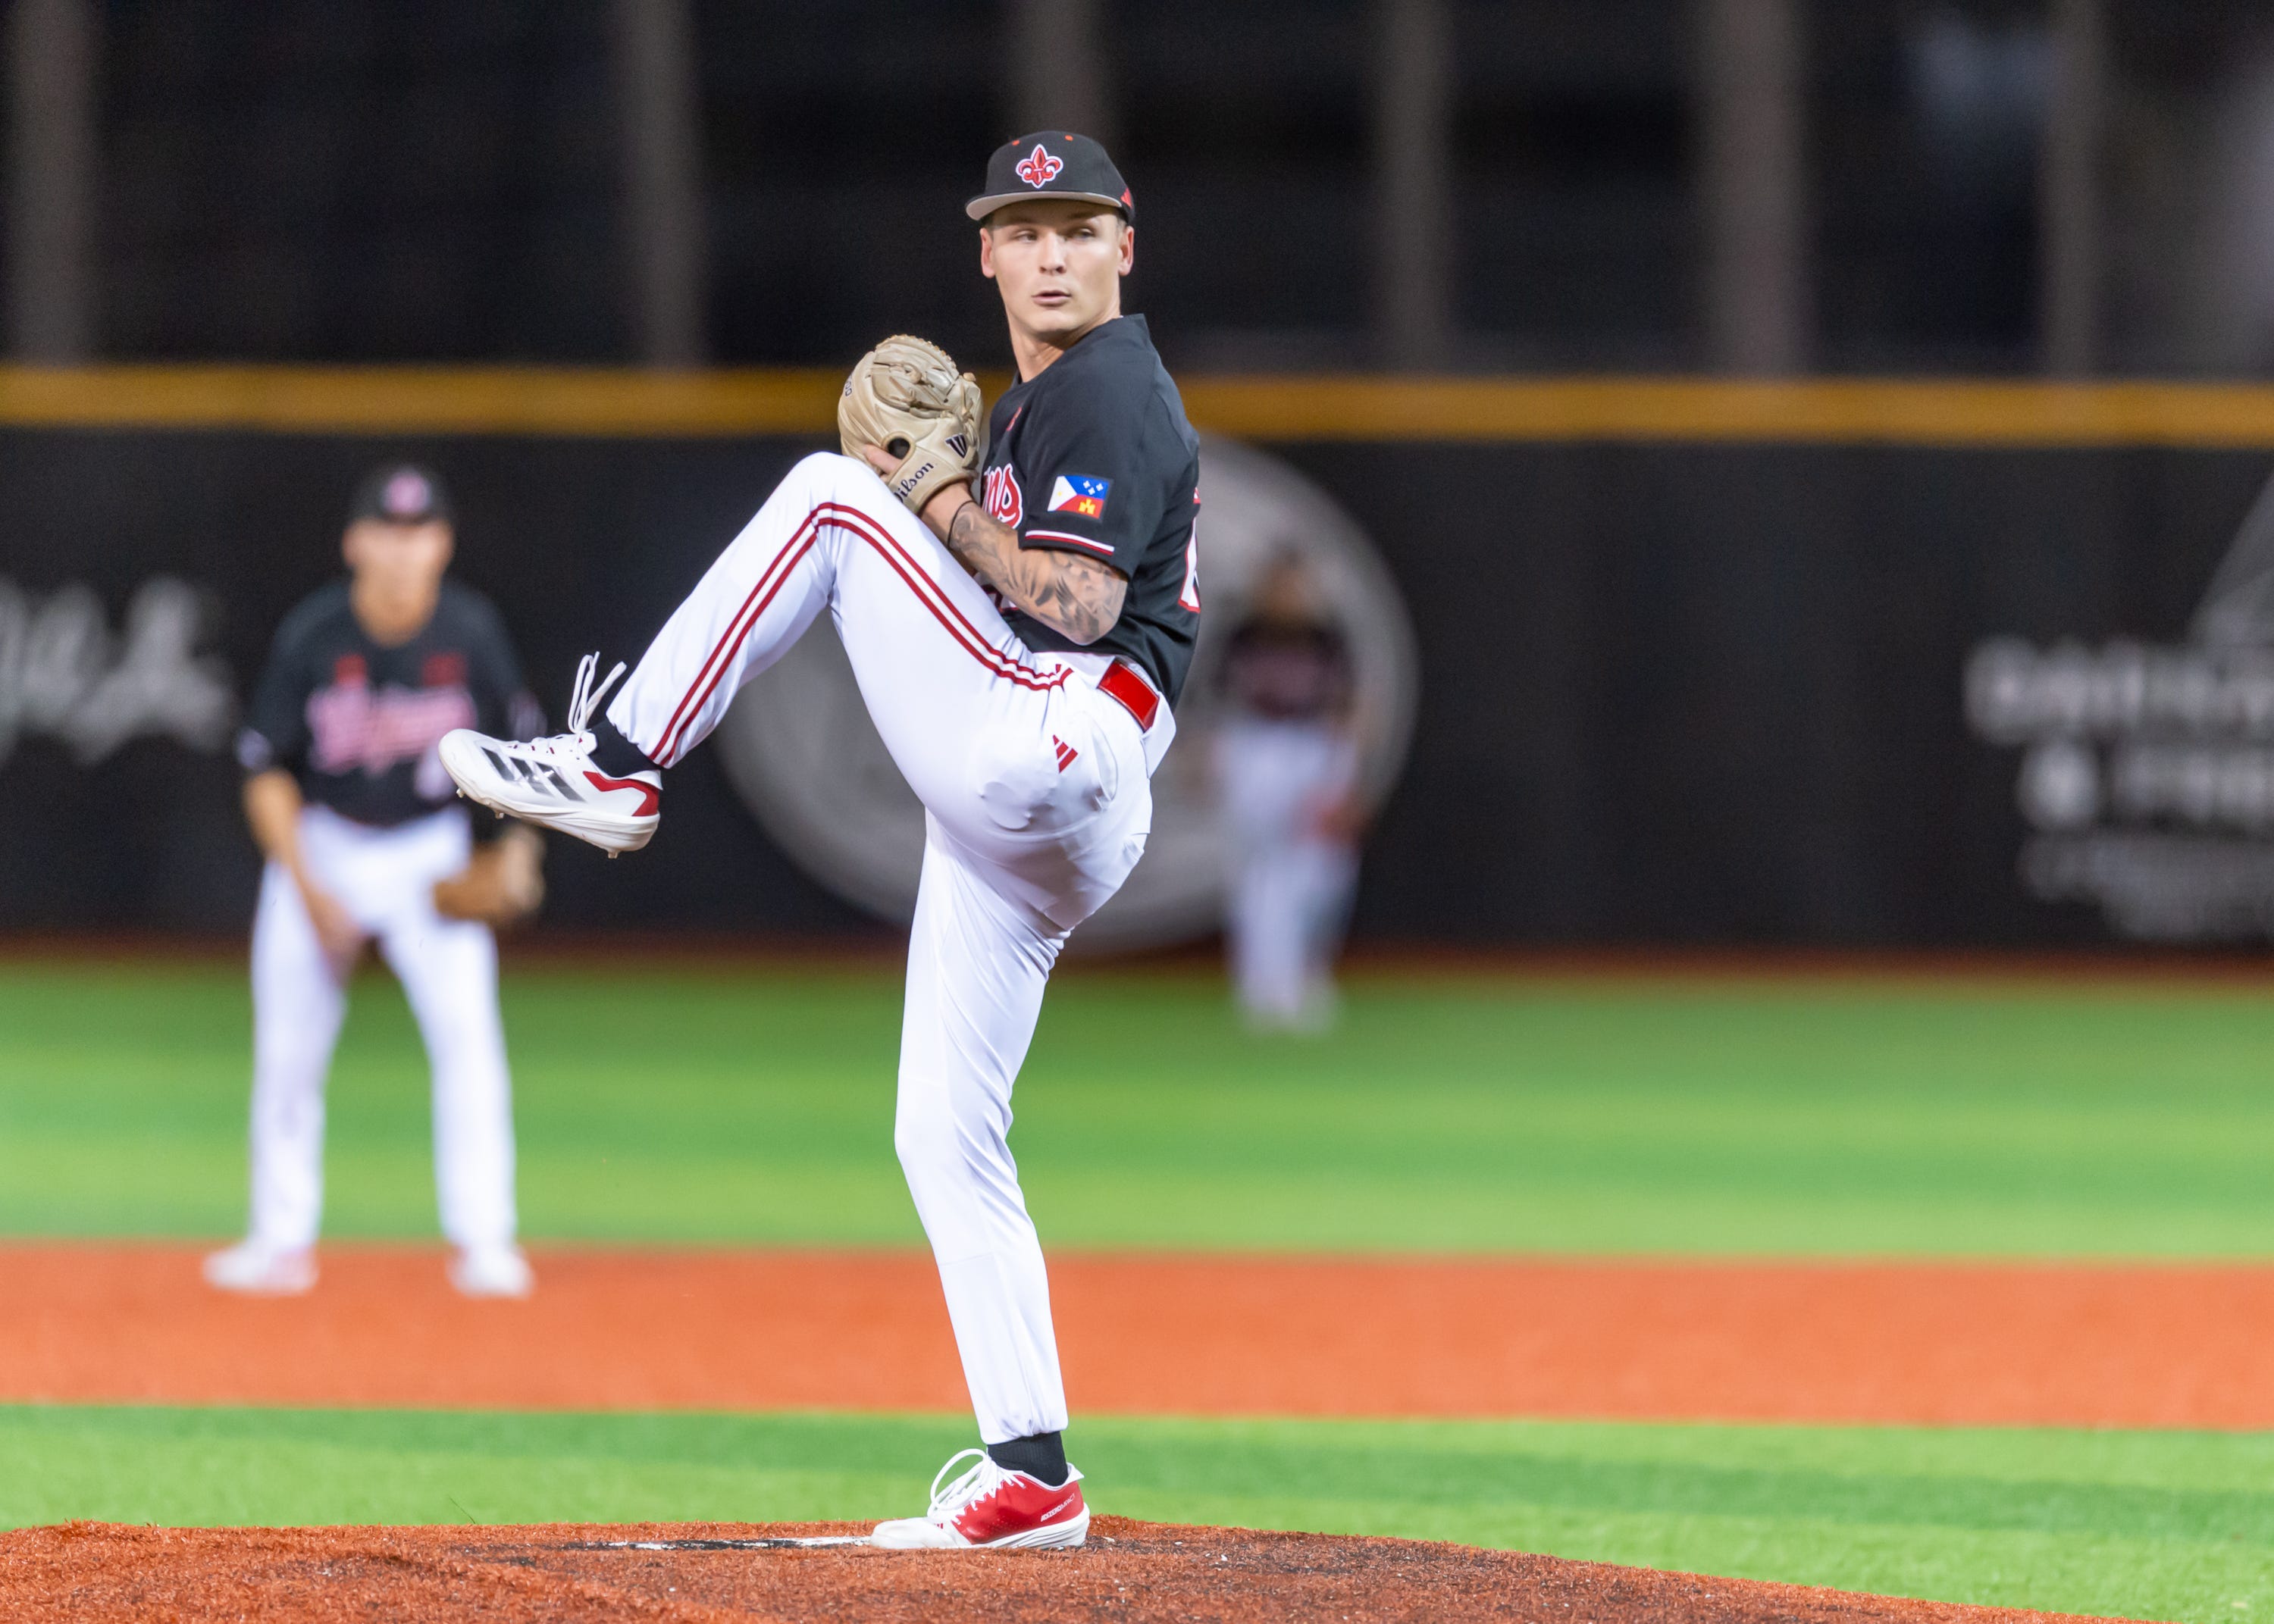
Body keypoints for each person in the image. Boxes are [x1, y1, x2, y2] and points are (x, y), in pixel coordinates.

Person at [437, 131, 1198, 1550]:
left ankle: (618, 764)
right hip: (1027, 810)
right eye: (1023, 229)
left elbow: (1084, 611)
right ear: (985, 253)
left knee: (833, 498)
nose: (1049, 252)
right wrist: (959, 490)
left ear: (1124, 249)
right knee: (941, 1132)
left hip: (1066, 731)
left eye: (1078, 228)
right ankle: (1031, 1469)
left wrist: (931, 494)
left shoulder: (1107, 390)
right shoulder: (1036, 408)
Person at [204, 464, 547, 1301]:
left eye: (419, 531)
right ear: (356, 542)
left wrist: (519, 853)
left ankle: (486, 1241)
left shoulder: (471, 630)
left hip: (429, 851)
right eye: (387, 532)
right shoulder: (315, 634)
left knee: (469, 1041)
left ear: (443, 544)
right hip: (323, 843)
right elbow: (265, 770)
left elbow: (528, 759)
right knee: (288, 1052)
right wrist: (308, 885)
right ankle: (280, 1241)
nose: (402, 549)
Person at [1214, 552, 1362, 1030]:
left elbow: (1352, 708)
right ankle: (1262, 986)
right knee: (1260, 874)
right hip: (1254, 748)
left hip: (1313, 748)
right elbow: (1217, 703)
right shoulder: (1243, 634)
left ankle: (1307, 976)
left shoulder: (1326, 637)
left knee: (1322, 874)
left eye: (1296, 585)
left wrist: (1344, 775)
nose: (1288, 595)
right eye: (1280, 584)